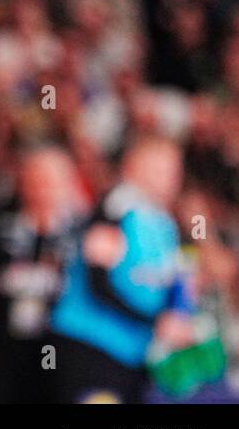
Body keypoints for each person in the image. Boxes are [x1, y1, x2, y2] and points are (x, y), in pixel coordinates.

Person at [50, 137, 195, 403]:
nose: (170, 178)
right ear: (131, 168)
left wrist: (179, 318)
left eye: (174, 169)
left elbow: (172, 283)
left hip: (132, 353)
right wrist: (154, 321)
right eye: (159, 169)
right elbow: (99, 284)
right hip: (92, 345)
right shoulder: (117, 207)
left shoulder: (164, 223)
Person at [0, 146, 81, 403]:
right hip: (6, 352)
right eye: (37, 180)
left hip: (63, 355)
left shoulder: (83, 235)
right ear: (24, 183)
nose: (44, 188)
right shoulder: (0, 231)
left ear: (69, 184)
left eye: (52, 181)